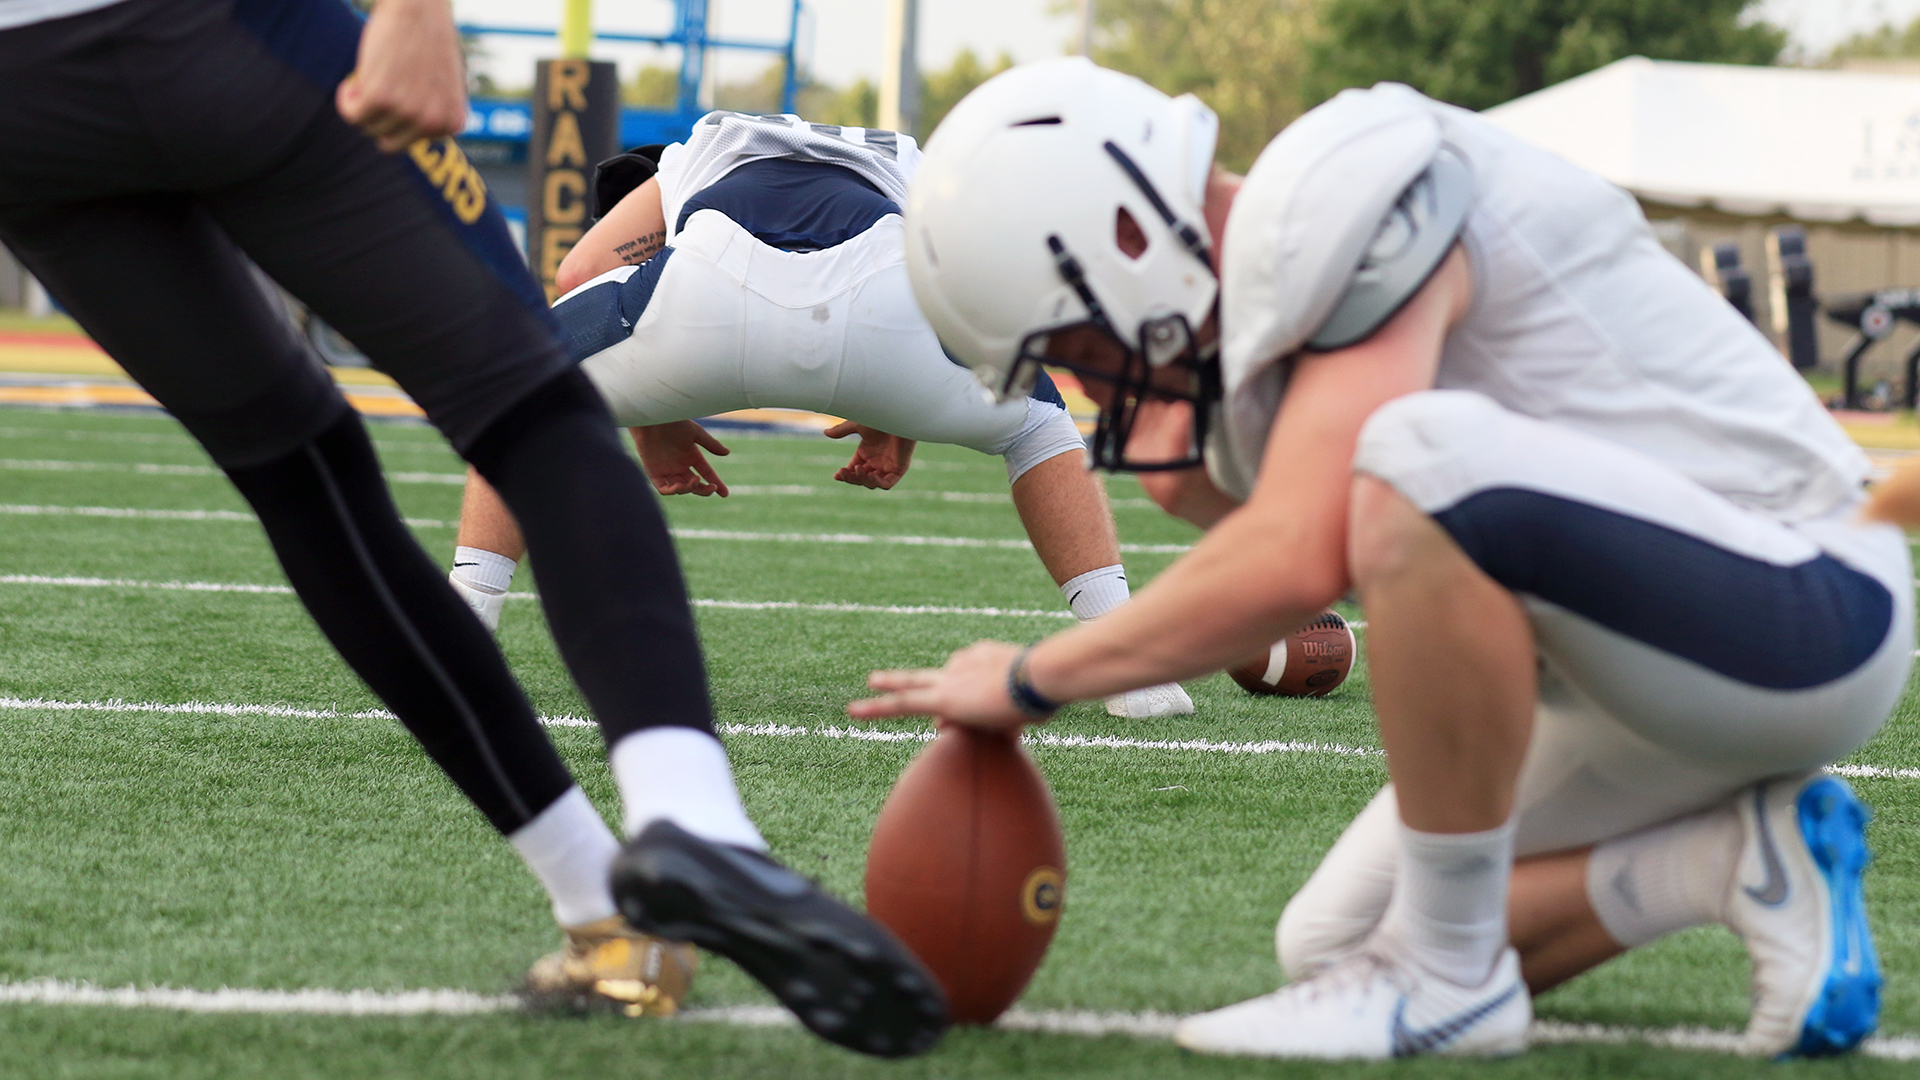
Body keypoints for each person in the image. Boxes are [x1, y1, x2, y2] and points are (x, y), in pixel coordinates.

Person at [852, 58, 1909, 1060]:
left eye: (1077, 348)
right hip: (1628, 672)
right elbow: (1335, 545)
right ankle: (1737, 861)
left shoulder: (1337, 173)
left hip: (1806, 604)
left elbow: (1309, 548)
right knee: (1335, 952)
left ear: (1125, 232)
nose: (1096, 386)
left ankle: (1445, 980)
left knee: (1415, 454)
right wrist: (1218, 472)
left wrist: (1036, 678)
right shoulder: (1264, 369)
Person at [0, 0, 944, 1057]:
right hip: (221, 33)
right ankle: (692, 816)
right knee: (533, 406)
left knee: (297, 471)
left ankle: (604, 917)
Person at [443, 111, 1195, 720]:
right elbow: (947, 282)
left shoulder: (699, 146)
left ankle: (463, 628)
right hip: (889, 292)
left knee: (523, 392)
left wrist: (655, 412)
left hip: (708, 285)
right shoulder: (909, 156)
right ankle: (1130, 668)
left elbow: (581, 271)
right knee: (1038, 427)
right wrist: (895, 413)